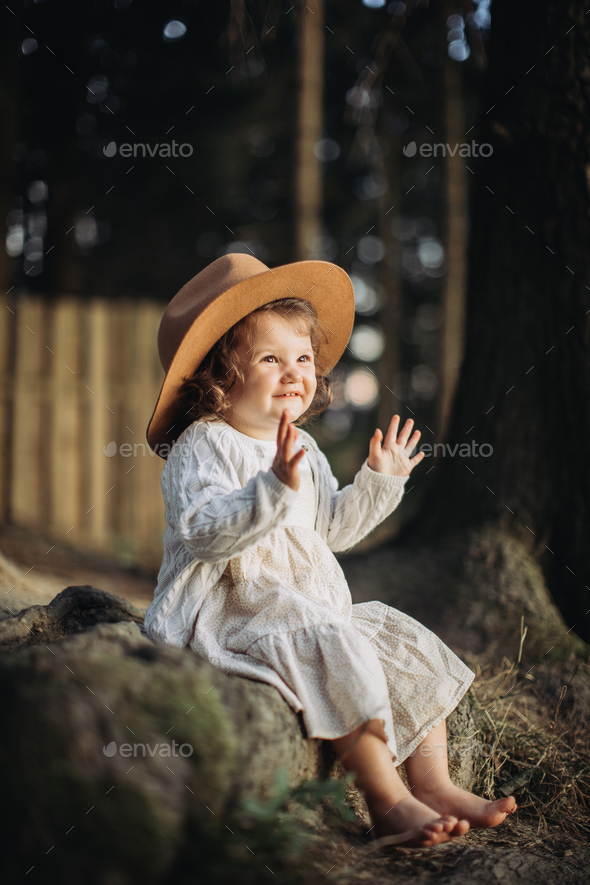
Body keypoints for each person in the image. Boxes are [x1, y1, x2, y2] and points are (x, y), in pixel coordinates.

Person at [144, 253, 516, 848]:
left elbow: (331, 531)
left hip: (308, 606)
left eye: (304, 358)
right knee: (333, 642)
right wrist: (271, 489)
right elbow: (201, 530)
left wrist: (379, 480)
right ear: (219, 374)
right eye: (271, 359)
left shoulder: (308, 451)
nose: (295, 372)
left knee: (395, 639)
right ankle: (387, 801)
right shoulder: (206, 443)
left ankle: (435, 783)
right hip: (234, 607)